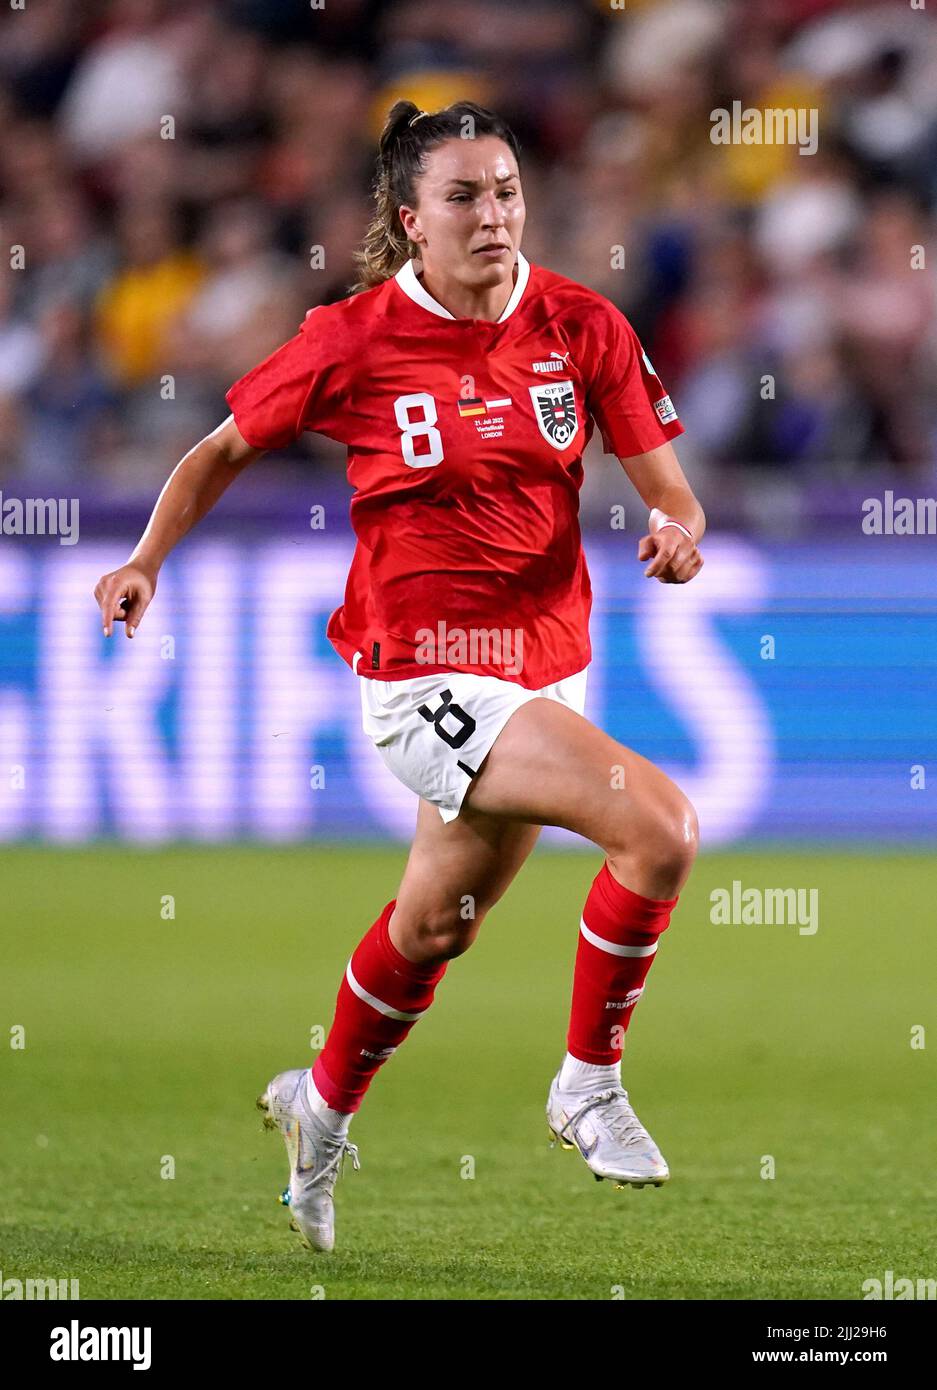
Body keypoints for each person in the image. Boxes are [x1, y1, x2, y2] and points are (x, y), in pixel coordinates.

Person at [93, 100, 705, 1255]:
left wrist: (677, 529)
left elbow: (670, 487)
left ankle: (317, 1108)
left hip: (547, 667)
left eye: (509, 189)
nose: (494, 215)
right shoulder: (352, 338)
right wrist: (145, 558)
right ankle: (587, 1081)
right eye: (464, 196)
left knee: (434, 928)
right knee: (660, 829)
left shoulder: (582, 324)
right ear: (408, 218)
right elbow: (220, 447)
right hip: (424, 675)